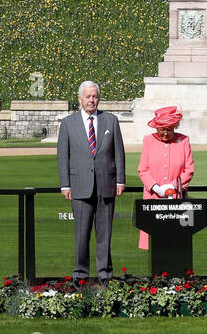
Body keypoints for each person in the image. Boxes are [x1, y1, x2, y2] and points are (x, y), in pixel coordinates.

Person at [57, 80, 126, 280]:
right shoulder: (68, 123)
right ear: (80, 99)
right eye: (87, 96)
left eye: (94, 96)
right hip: (79, 186)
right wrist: (65, 184)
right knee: (81, 234)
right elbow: (63, 156)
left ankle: (105, 275)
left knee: (104, 235)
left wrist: (120, 181)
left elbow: (118, 153)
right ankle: (80, 275)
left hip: (106, 185)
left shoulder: (111, 120)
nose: (91, 100)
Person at [136, 105, 195, 251]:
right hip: (153, 197)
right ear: (157, 128)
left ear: (175, 127)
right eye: (162, 129)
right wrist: (156, 187)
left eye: (169, 129)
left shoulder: (184, 141)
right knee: (155, 241)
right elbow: (142, 169)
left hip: (176, 198)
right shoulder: (148, 141)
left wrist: (173, 187)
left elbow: (189, 169)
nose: (165, 133)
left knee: (175, 242)